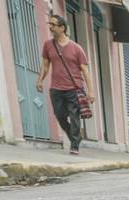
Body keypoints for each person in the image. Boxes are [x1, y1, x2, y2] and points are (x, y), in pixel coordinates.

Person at [36, 14, 95, 155]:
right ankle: (76, 137)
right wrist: (40, 80)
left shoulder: (76, 48)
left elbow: (85, 70)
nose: (50, 27)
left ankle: (74, 144)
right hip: (56, 88)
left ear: (62, 28)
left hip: (74, 88)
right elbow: (45, 65)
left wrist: (90, 91)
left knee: (74, 116)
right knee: (60, 115)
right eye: (49, 24)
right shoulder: (48, 45)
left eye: (53, 25)